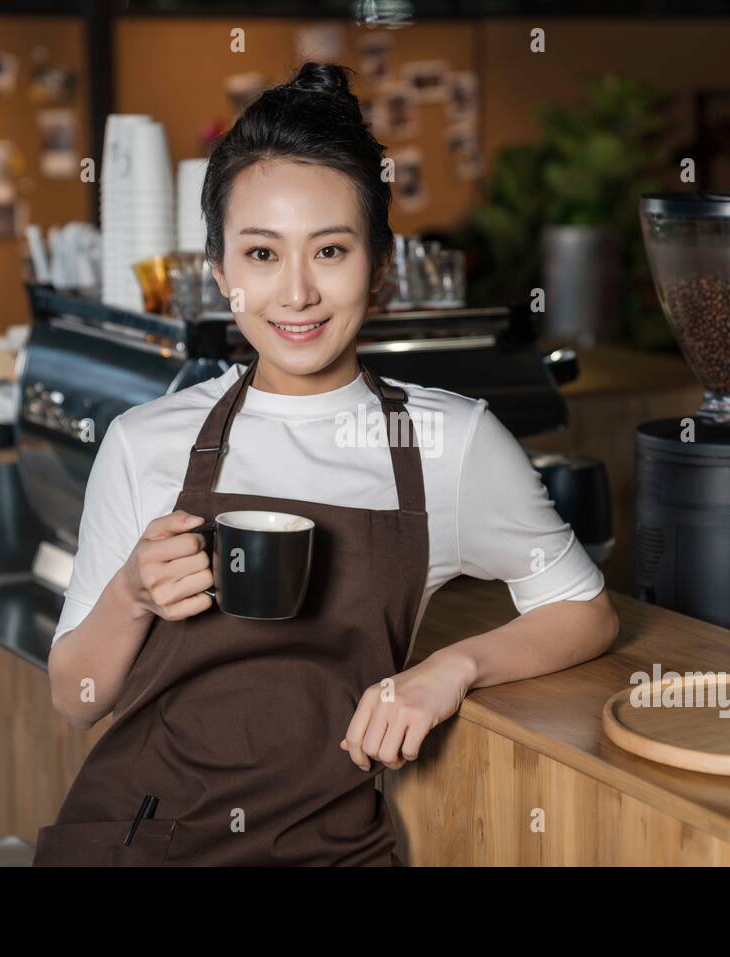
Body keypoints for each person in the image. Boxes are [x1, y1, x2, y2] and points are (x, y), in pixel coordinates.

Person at [36, 61, 619, 867]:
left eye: (331, 251)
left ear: (378, 267)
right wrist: (133, 592)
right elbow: (75, 698)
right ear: (220, 275)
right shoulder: (147, 441)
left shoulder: (450, 443)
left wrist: (454, 666)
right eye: (263, 254)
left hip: (328, 848)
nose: (298, 292)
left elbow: (584, 609)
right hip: (138, 840)